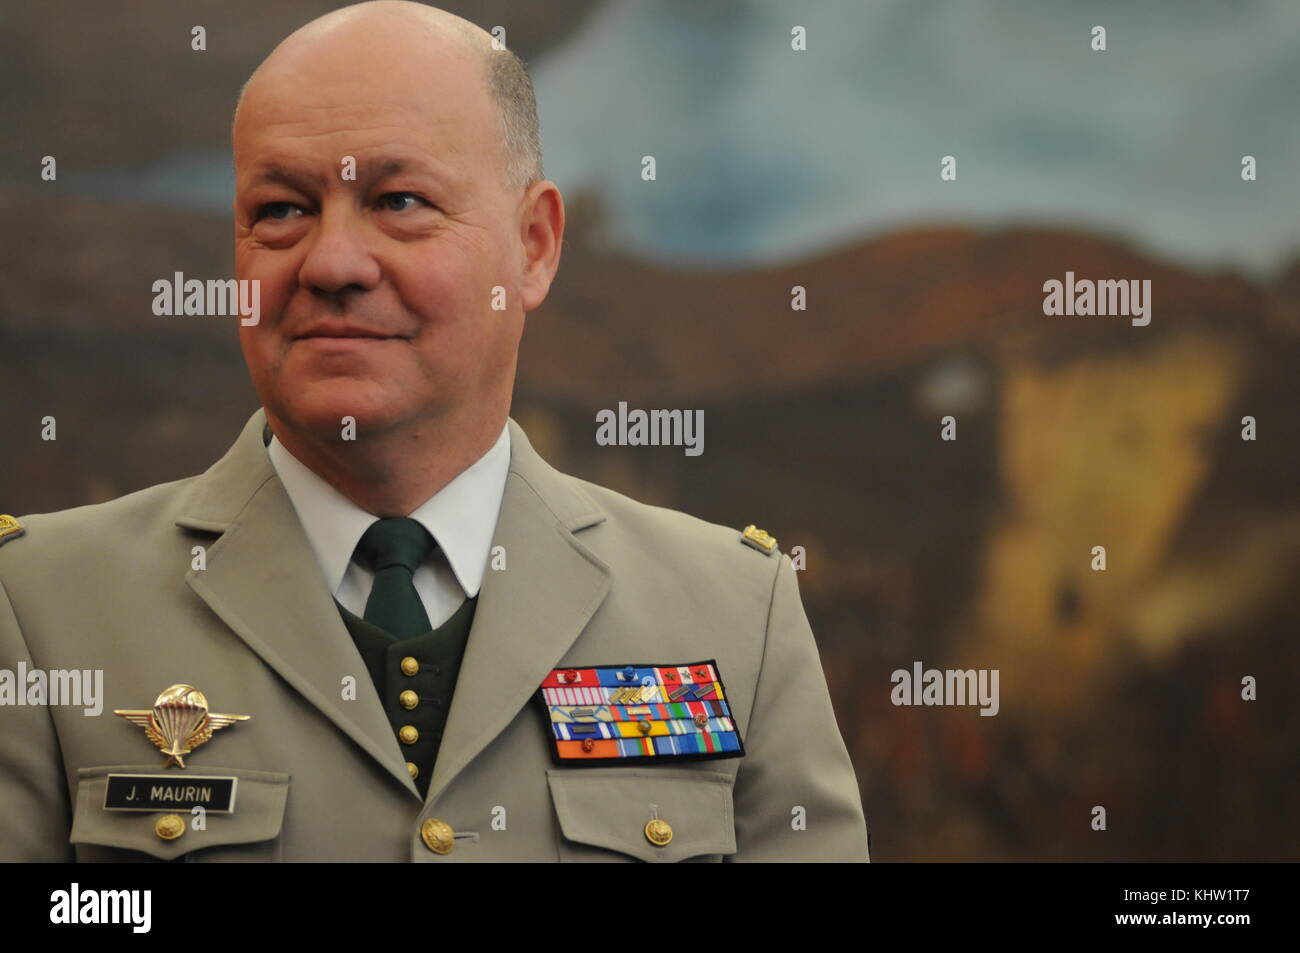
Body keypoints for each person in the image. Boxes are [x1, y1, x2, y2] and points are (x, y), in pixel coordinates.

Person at [0, 0, 870, 862]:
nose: (333, 263)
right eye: (280, 210)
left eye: (401, 200)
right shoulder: (38, 610)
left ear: (532, 245)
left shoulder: (732, 613)